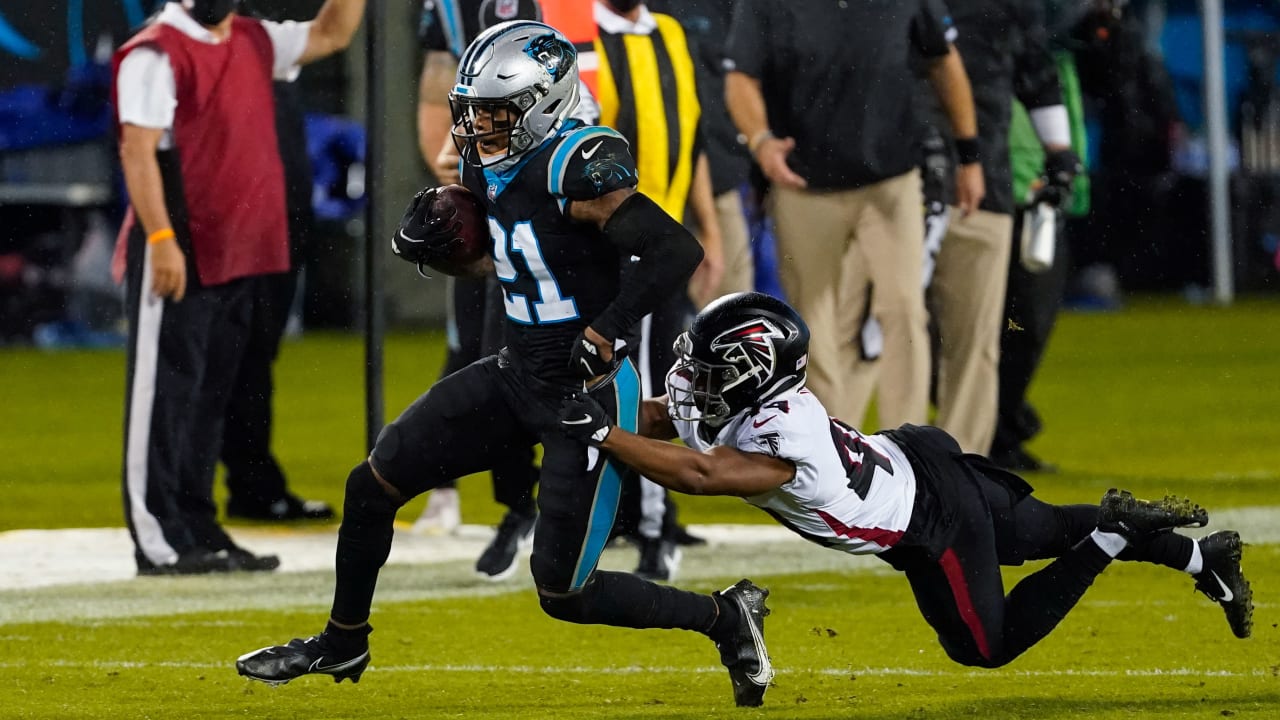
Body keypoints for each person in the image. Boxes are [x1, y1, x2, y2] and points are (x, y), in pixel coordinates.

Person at [235, 22, 775, 707]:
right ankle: (343, 642)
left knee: (564, 592)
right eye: (474, 112)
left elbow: (675, 251)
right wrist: (440, 248)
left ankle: (725, 618)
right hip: (517, 371)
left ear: (545, 103)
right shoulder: (483, 164)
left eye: (496, 112)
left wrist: (608, 329)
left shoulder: (577, 161)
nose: (480, 127)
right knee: (370, 486)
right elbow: (517, 260)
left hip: (586, 396)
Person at [556, 292, 1255, 671]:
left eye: (716, 373)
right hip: (919, 460)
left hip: (930, 520)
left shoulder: (783, 437)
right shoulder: (742, 398)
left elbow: (702, 473)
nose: (695, 385)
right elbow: (664, 419)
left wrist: (595, 432)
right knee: (1043, 532)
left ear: (757, 376)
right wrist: (603, 410)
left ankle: (1113, 535)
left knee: (985, 647)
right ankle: (1204, 557)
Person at [114, 0, 365, 575]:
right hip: (183, 248)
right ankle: (159, 538)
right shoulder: (156, 51)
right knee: (164, 399)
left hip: (241, 251)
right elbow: (137, 150)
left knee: (208, 400)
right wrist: (158, 237)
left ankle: (199, 526)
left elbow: (331, 33)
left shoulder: (252, 39)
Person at [724, 0, 984, 430]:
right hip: (803, 183)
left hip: (890, 181)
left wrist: (970, 155)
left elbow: (943, 60)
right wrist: (761, 140)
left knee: (903, 309)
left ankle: (909, 445)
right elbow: (741, 77)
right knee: (813, 320)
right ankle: (831, 449)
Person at [407, 0, 598, 583]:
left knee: (584, 377)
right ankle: (517, 504)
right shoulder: (454, 20)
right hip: (505, 240)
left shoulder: (572, 40)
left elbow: (587, 113)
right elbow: (443, 115)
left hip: (562, 235)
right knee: (495, 369)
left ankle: (604, 509)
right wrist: (460, 180)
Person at [590, 0, 723, 581]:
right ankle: (646, 525)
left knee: (664, 377)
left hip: (667, 245)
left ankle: (647, 515)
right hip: (620, 249)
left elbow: (687, 141)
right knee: (629, 381)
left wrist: (707, 227)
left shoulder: (670, 33)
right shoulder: (584, 38)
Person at [921, 0, 1082, 455]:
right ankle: (897, 455)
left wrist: (1059, 152)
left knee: (980, 335)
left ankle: (965, 461)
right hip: (897, 180)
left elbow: (1038, 74)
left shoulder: (1010, 8)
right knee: (902, 327)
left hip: (981, 183)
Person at [221, 76, 335, 523]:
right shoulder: (222, 42)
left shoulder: (269, 45)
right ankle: (187, 499)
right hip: (239, 219)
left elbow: (329, 35)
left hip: (281, 217)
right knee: (222, 362)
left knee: (252, 359)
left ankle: (251, 486)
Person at [991, 39, 1092, 473]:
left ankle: (1000, 426)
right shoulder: (1008, 29)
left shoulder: (1051, 42)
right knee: (993, 325)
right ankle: (996, 427)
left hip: (1045, 191)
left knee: (1028, 322)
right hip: (999, 189)